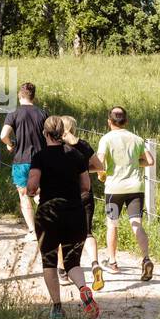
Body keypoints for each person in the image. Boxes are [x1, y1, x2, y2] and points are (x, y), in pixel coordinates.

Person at [27, 115, 99, 319]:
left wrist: (33, 191)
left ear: (45, 133)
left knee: (49, 261)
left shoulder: (40, 157)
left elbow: (32, 186)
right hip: (75, 212)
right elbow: (86, 186)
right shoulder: (76, 155)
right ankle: (83, 289)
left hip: (49, 213)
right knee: (72, 261)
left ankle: (57, 307)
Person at [96, 106, 155, 280]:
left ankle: (112, 262)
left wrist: (102, 174)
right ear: (126, 121)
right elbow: (150, 160)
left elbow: (99, 163)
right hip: (136, 188)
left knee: (112, 224)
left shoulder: (106, 139)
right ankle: (145, 258)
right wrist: (136, 164)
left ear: (109, 122)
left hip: (114, 188)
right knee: (136, 222)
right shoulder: (136, 139)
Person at [61, 116, 106, 291]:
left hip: (65, 195)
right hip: (85, 194)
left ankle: (63, 271)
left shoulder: (58, 147)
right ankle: (95, 264)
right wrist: (86, 169)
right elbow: (99, 165)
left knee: (62, 234)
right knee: (87, 232)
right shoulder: (84, 145)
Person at [0, 82, 47, 242]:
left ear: (19, 96)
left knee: (23, 194)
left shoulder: (14, 112)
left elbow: (3, 135)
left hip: (21, 159)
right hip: (41, 159)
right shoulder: (43, 113)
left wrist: (10, 144)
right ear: (34, 96)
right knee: (41, 192)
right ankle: (46, 224)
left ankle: (33, 231)